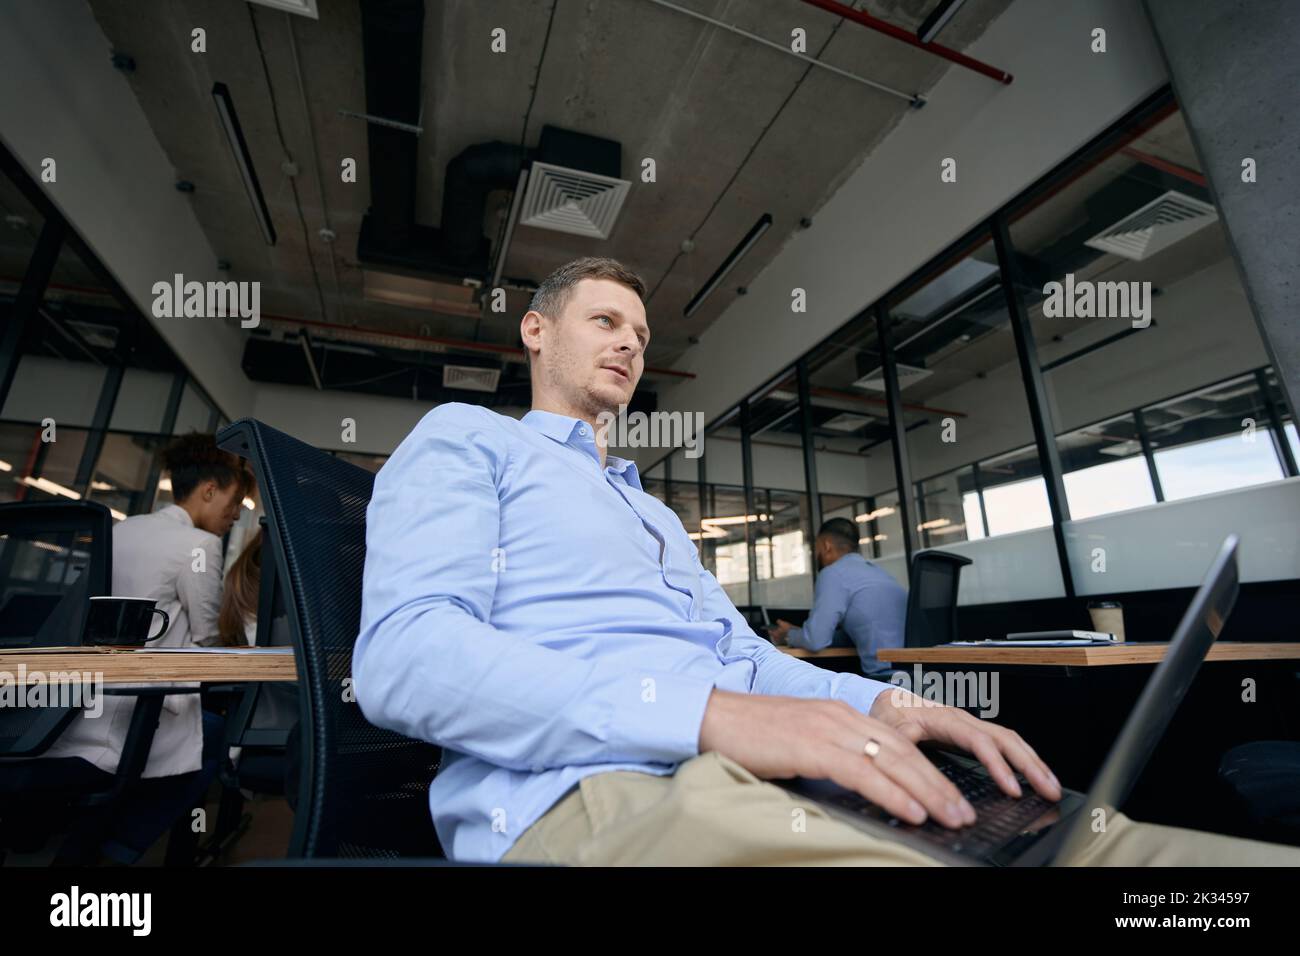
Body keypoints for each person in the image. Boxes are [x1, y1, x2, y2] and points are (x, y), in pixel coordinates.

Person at [353, 256, 1300, 867]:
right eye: (606, 322)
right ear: (536, 330)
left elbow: (750, 659)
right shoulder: (470, 440)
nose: (631, 346)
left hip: (782, 776)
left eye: (641, 336)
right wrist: (714, 719)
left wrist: (883, 704)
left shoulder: (653, 515)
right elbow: (406, 660)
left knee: (1128, 857)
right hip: (603, 797)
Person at [42, 432, 252, 864]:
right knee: (216, 737)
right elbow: (208, 636)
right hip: (134, 714)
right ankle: (120, 849)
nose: (234, 515)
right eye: (233, 502)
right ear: (209, 491)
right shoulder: (201, 545)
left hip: (67, 708)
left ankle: (100, 842)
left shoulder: (124, 528)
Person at [768, 517, 906, 677]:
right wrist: (802, 632)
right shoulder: (878, 572)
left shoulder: (833, 573)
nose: (817, 555)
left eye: (817, 548)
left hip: (885, 678)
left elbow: (815, 641)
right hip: (918, 676)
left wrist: (789, 635)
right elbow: (852, 634)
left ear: (826, 546)